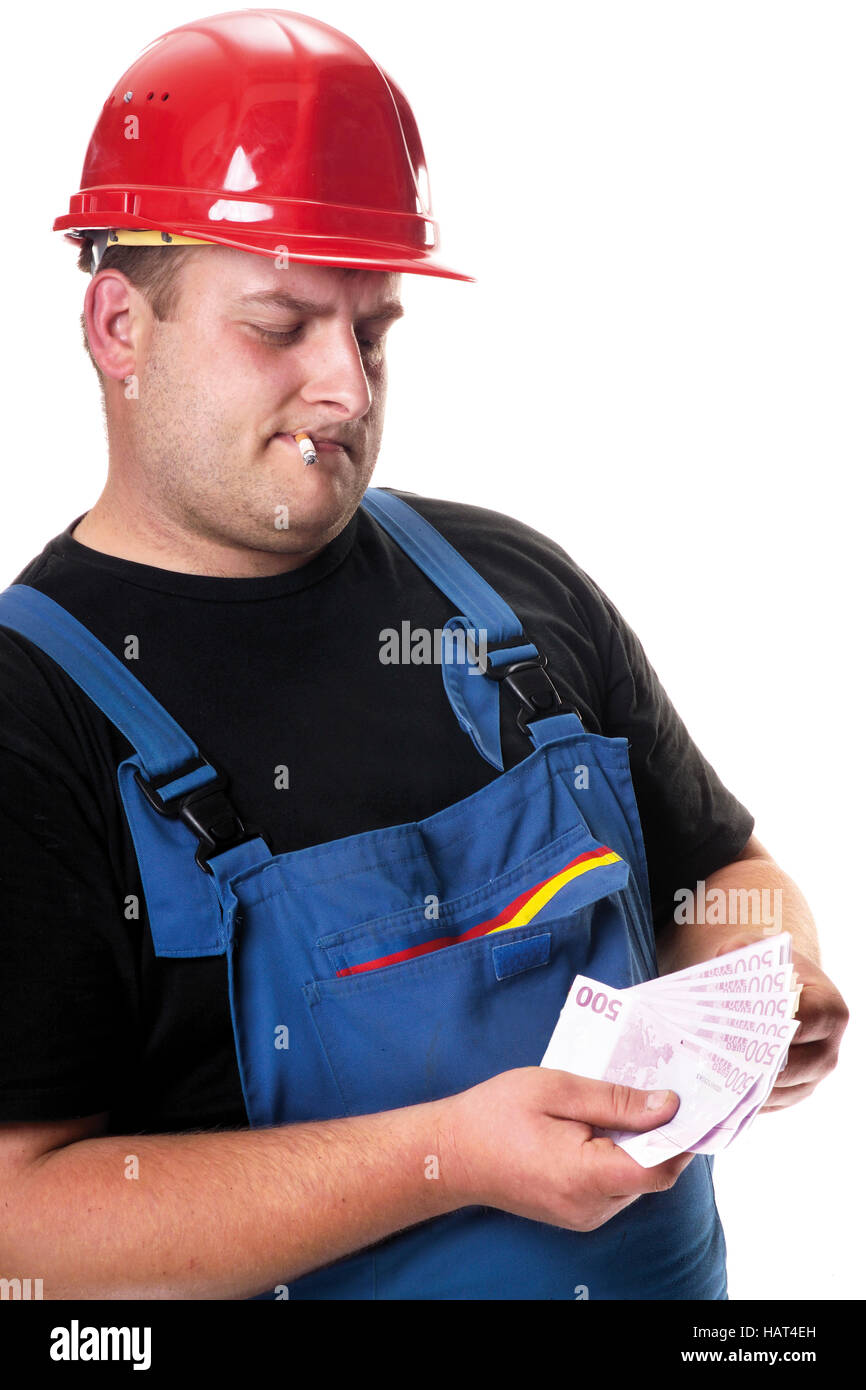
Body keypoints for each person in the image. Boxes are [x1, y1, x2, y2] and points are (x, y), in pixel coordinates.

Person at [0, 10, 847, 1301]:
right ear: (119, 326)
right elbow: (24, 1226)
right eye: (282, 325)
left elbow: (717, 870)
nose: (345, 386)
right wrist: (448, 1156)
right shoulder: (32, 715)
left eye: (374, 328)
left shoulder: (512, 586)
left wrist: (765, 970)